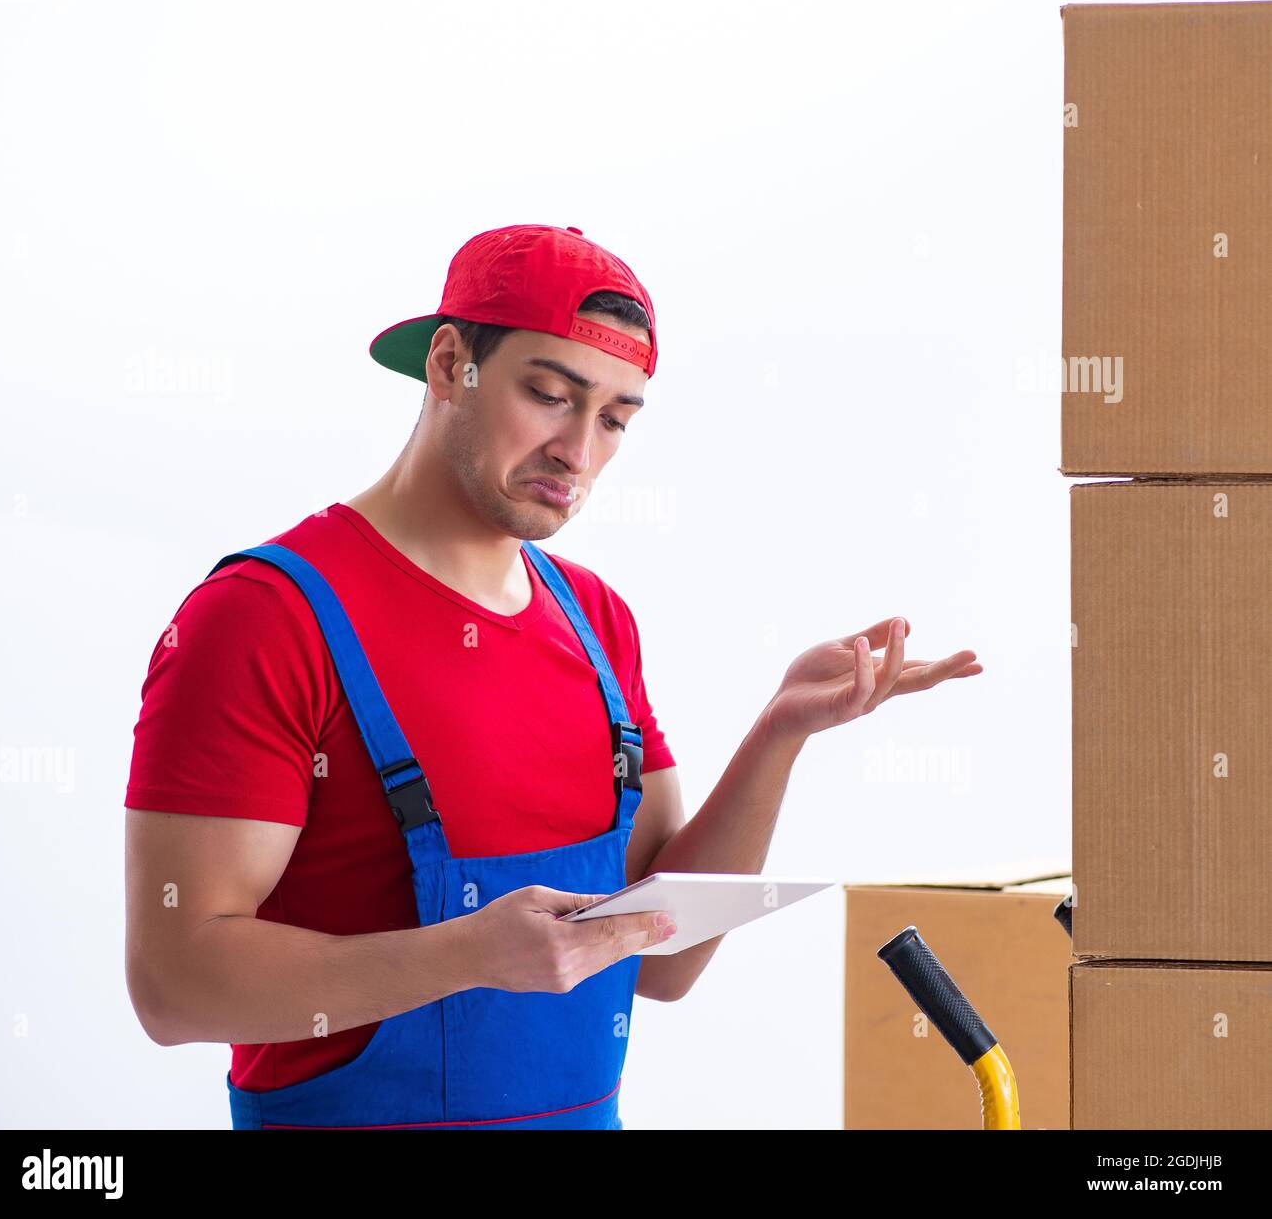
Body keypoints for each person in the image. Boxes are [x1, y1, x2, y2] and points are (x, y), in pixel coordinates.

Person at [123, 222, 983, 1130]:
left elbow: (660, 962)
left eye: (614, 418)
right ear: (450, 361)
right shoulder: (264, 619)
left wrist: (779, 733)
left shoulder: (596, 621)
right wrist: (467, 952)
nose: (579, 451)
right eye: (549, 395)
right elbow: (174, 983)